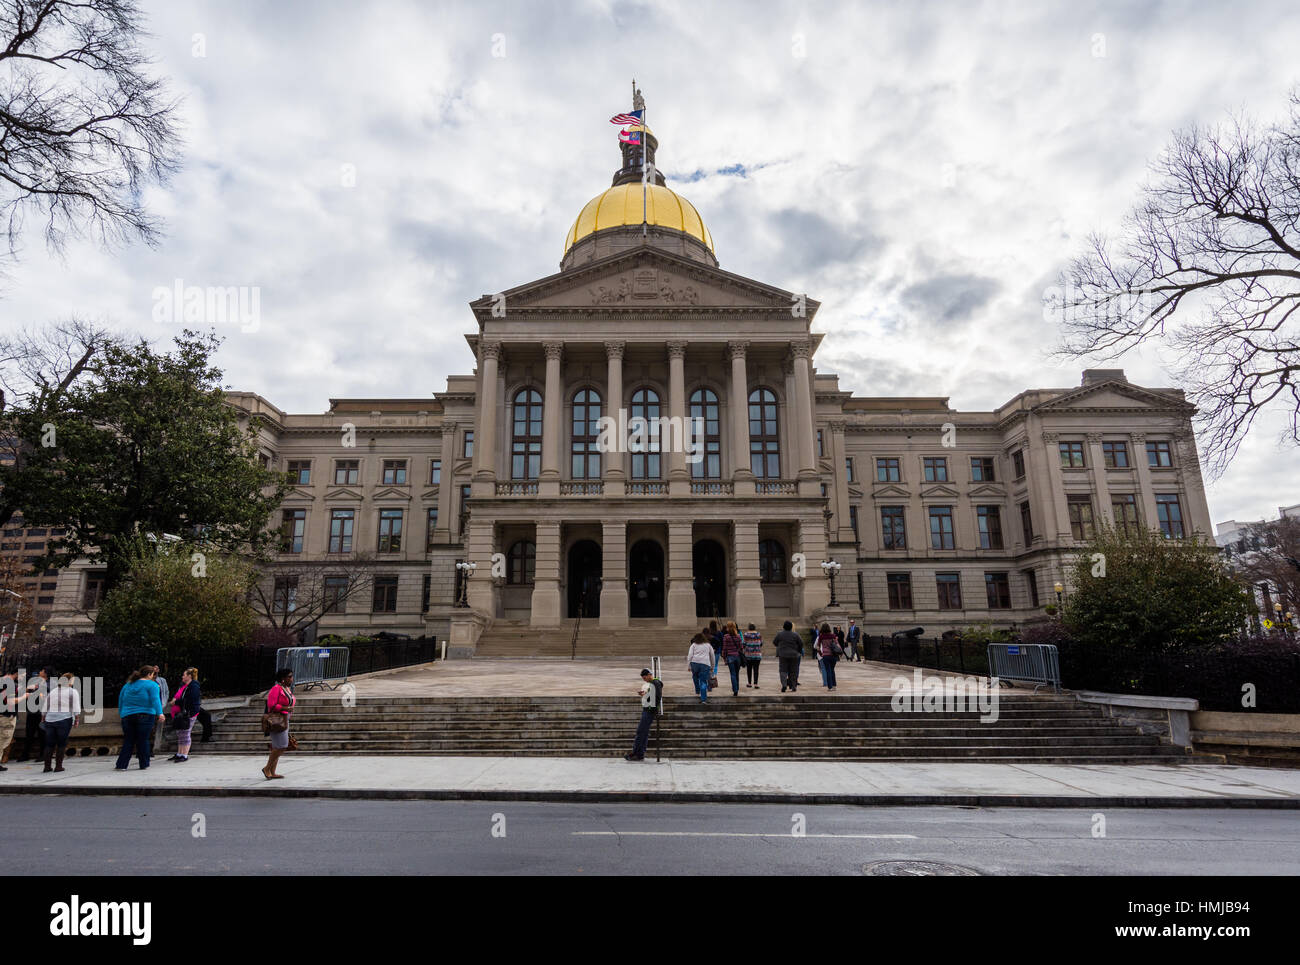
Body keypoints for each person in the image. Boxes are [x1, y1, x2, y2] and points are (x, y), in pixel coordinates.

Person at [115, 665, 164, 770]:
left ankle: (121, 765)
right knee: (143, 740)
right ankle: (144, 764)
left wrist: (122, 713)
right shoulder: (152, 685)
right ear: (149, 674)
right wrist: (160, 713)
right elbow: (155, 699)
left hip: (127, 715)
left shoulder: (128, 685)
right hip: (146, 715)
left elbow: (121, 700)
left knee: (128, 740)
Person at [40, 672, 81, 772]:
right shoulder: (72, 692)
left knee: (49, 744)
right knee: (61, 743)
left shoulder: (53, 691)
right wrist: (77, 719)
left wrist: (43, 717)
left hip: (50, 719)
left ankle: (47, 766)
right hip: (64, 719)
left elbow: (46, 705)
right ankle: (58, 766)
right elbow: (75, 707)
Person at [262, 668, 296, 780]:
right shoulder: (276, 689)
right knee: (282, 746)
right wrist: (287, 708)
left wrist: (289, 709)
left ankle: (272, 771)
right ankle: (267, 768)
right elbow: (271, 705)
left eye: (291, 676)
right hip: (276, 721)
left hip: (285, 719)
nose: (292, 678)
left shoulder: (286, 688)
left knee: (277, 746)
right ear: (283, 679)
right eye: (289, 676)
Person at [625, 667, 663, 761]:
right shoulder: (652, 684)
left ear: (650, 675)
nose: (644, 680)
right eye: (643, 678)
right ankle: (640, 753)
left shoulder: (655, 683)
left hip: (649, 711)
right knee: (643, 732)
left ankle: (636, 753)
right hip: (648, 710)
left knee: (641, 732)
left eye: (645, 678)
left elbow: (656, 698)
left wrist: (645, 696)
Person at [167, 667, 202, 763]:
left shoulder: (194, 686)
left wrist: (176, 702)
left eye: (184, 675)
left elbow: (190, 700)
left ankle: (184, 755)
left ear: (189, 676)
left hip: (190, 712)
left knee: (185, 733)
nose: (182, 676)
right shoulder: (187, 685)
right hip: (185, 712)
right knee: (181, 733)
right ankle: (179, 753)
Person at [16, 667, 49, 762]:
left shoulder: (49, 684)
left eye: (42, 671)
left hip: (42, 712)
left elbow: (47, 696)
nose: (40, 672)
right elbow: (25, 693)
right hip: (32, 711)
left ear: (46, 674)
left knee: (42, 734)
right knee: (29, 734)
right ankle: (25, 754)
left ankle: (43, 754)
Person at [0, 668, 22, 770]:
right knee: (3, 740)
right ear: (17, 674)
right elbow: (11, 702)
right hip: (6, 716)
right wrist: (24, 696)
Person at [773, 620, 803, 693]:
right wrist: (798, 651)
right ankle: (793, 686)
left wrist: (780, 646)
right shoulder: (795, 634)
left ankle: (784, 684)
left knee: (783, 670)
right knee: (793, 671)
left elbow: (775, 642)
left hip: (783, 655)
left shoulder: (779, 634)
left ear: (784, 627)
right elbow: (801, 643)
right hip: (794, 655)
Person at [686, 634, 713, 704]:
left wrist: (688, 665)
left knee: (695, 676)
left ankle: (697, 690)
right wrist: (712, 665)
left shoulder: (693, 645)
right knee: (703, 681)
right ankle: (703, 699)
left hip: (694, 663)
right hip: (705, 663)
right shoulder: (708, 645)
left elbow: (690, 655)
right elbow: (712, 656)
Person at [720, 621, 745, 696]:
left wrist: (724, 657)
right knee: (737, 674)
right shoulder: (738, 636)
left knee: (733, 674)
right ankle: (736, 687)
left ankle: (735, 689)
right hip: (737, 657)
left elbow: (724, 648)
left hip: (730, 657)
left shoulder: (726, 637)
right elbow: (741, 647)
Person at [816, 622, 840, 691]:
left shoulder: (821, 637)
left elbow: (818, 647)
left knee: (828, 670)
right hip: (833, 655)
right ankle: (834, 685)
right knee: (832, 670)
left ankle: (830, 687)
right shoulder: (833, 635)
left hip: (825, 655)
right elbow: (837, 644)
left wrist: (820, 653)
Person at [742, 623, 763, 688]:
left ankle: (749, 683)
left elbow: (744, 644)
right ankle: (756, 684)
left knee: (749, 669)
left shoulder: (746, 634)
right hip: (757, 655)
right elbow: (761, 643)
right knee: (756, 669)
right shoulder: (758, 634)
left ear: (749, 628)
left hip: (748, 655)